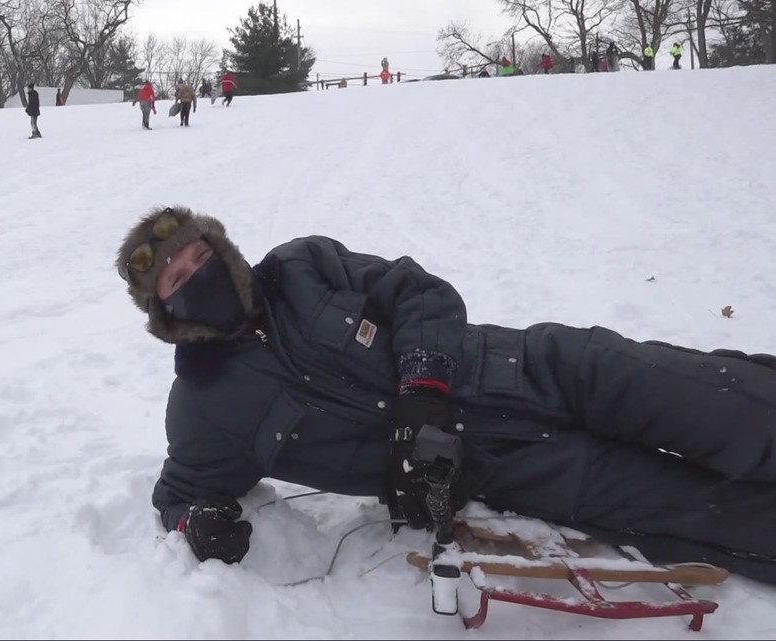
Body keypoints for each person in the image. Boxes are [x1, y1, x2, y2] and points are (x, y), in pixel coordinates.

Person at [115, 205, 776, 584]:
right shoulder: (203, 407)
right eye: (176, 278)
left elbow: (418, 291)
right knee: (688, 508)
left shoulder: (302, 266)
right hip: (502, 466)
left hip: (532, 365)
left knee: (716, 401)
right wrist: (192, 524)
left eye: (198, 257)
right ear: (164, 310)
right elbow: (177, 494)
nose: (194, 275)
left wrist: (423, 387)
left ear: (221, 250)